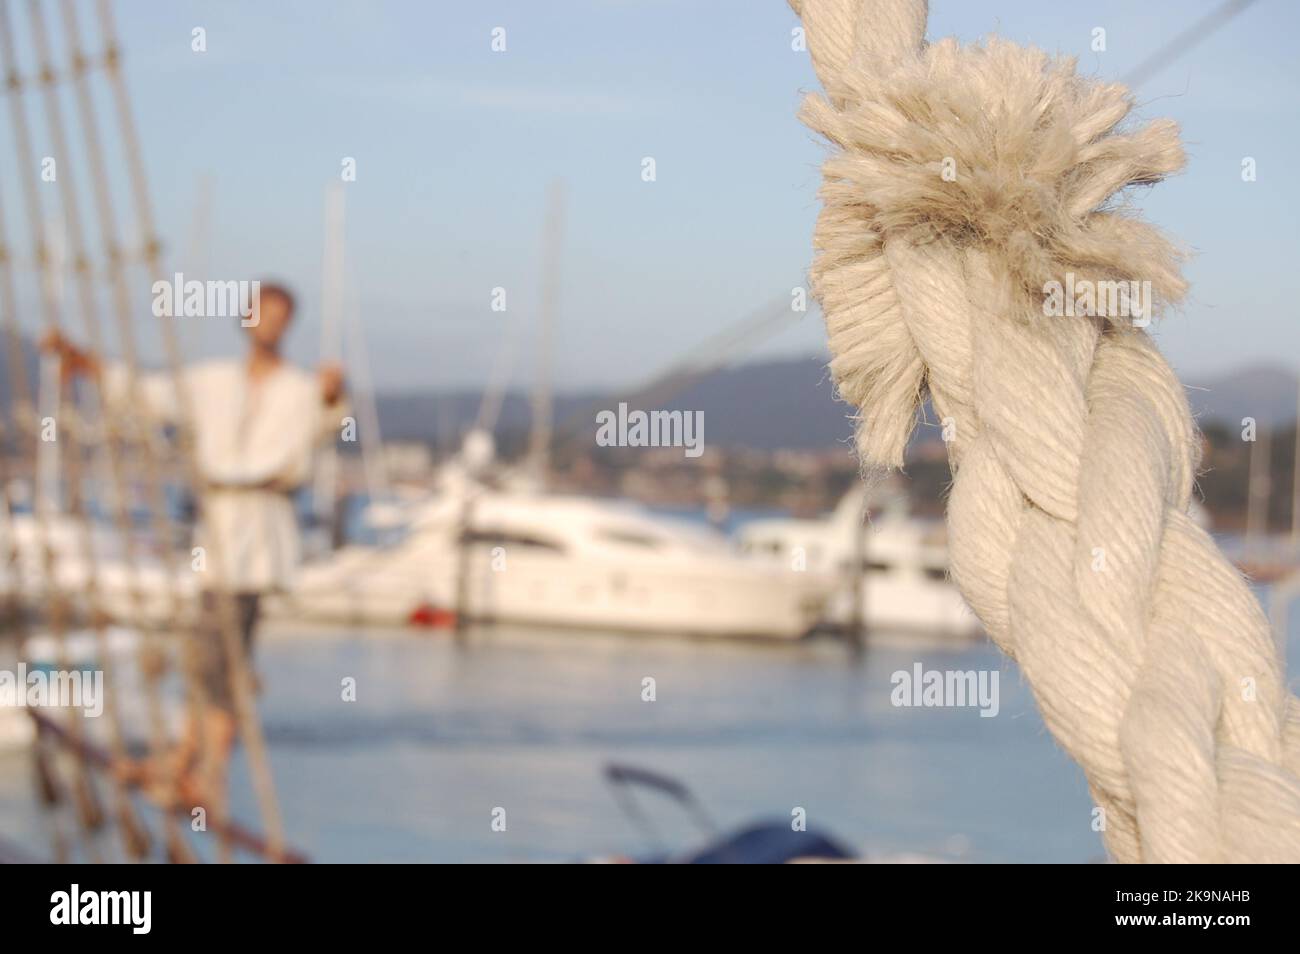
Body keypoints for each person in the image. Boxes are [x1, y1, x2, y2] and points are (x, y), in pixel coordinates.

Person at [42, 282, 346, 808]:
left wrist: (333, 393)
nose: (269, 324)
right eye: (263, 313)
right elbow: (147, 393)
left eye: (279, 316)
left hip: (257, 538)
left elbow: (330, 417)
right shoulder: (213, 381)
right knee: (207, 654)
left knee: (223, 656)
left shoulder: (301, 390)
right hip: (221, 532)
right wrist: (89, 365)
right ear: (249, 319)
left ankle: (206, 775)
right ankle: (187, 761)